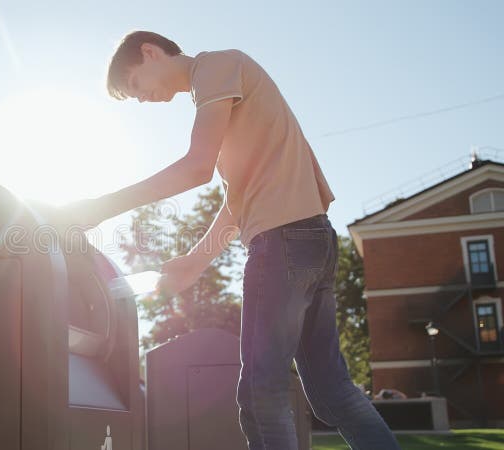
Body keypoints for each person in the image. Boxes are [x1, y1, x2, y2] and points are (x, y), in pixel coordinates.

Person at [58, 30, 400, 449]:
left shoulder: (216, 66)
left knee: (261, 394)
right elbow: (238, 201)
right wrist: (195, 261)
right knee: (332, 392)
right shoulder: (225, 90)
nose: (143, 100)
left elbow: (196, 168)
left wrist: (100, 207)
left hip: (283, 244)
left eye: (135, 86)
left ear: (150, 52)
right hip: (311, 240)